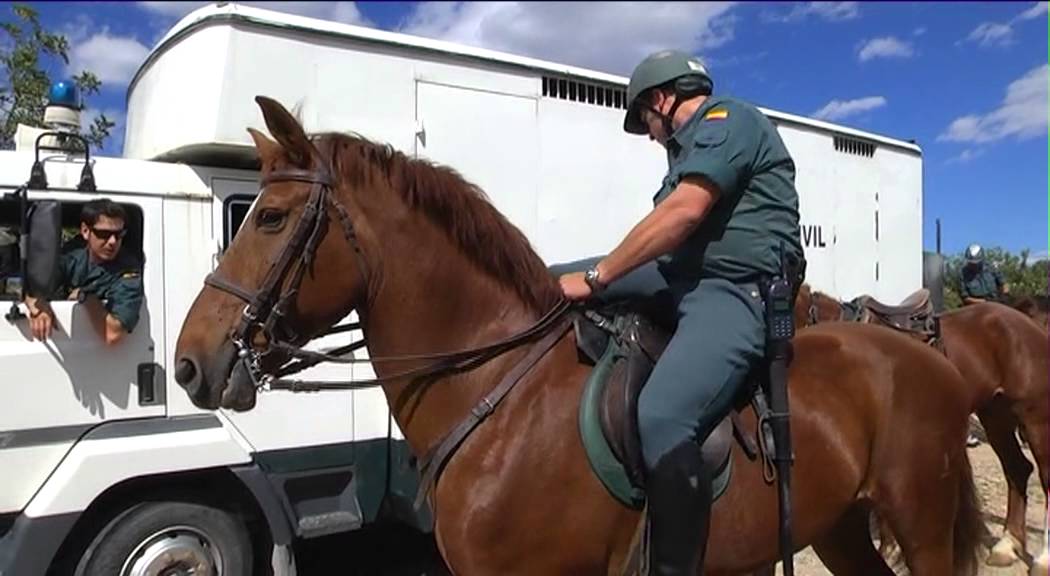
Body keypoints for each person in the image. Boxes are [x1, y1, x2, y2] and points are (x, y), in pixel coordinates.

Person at [551, 49, 803, 575]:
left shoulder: (728, 120)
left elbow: (684, 213)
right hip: (679, 275)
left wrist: (599, 277)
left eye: (645, 118)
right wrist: (586, 277)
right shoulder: (685, 153)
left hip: (734, 287)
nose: (649, 134)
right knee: (545, 283)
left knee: (663, 415)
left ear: (663, 99)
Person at [24, 198, 143, 346]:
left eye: (119, 234)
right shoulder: (72, 254)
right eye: (104, 234)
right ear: (85, 231)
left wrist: (85, 297)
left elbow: (112, 334)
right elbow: (32, 284)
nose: (113, 241)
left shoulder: (128, 270)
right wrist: (38, 306)